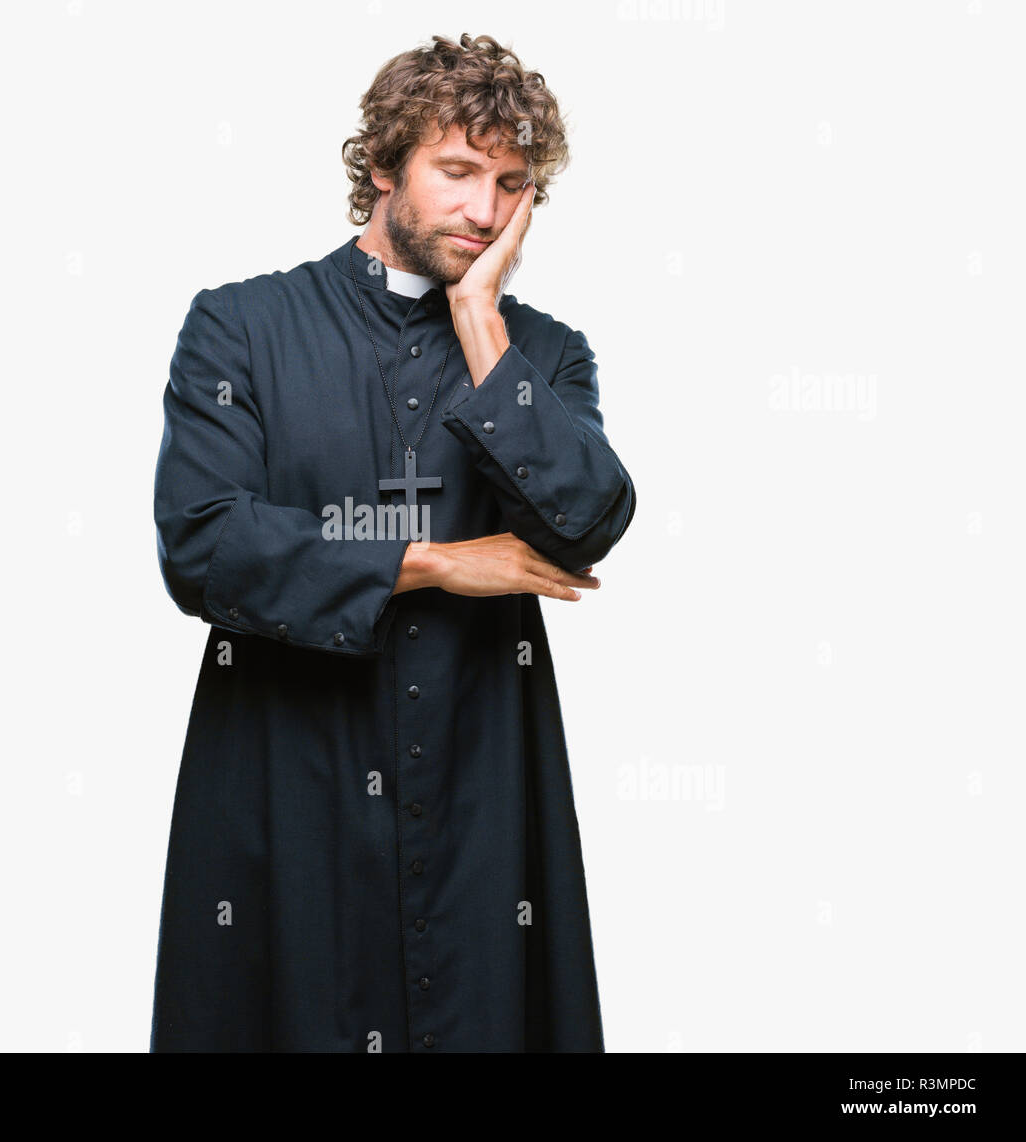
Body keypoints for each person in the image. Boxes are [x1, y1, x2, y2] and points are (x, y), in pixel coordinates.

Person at [149, 32, 635, 1052]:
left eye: (511, 184)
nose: (484, 209)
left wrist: (480, 326)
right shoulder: (241, 328)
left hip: (481, 785)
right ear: (381, 166)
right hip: (289, 781)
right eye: (456, 172)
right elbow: (202, 542)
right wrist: (439, 560)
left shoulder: (542, 352)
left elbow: (587, 520)